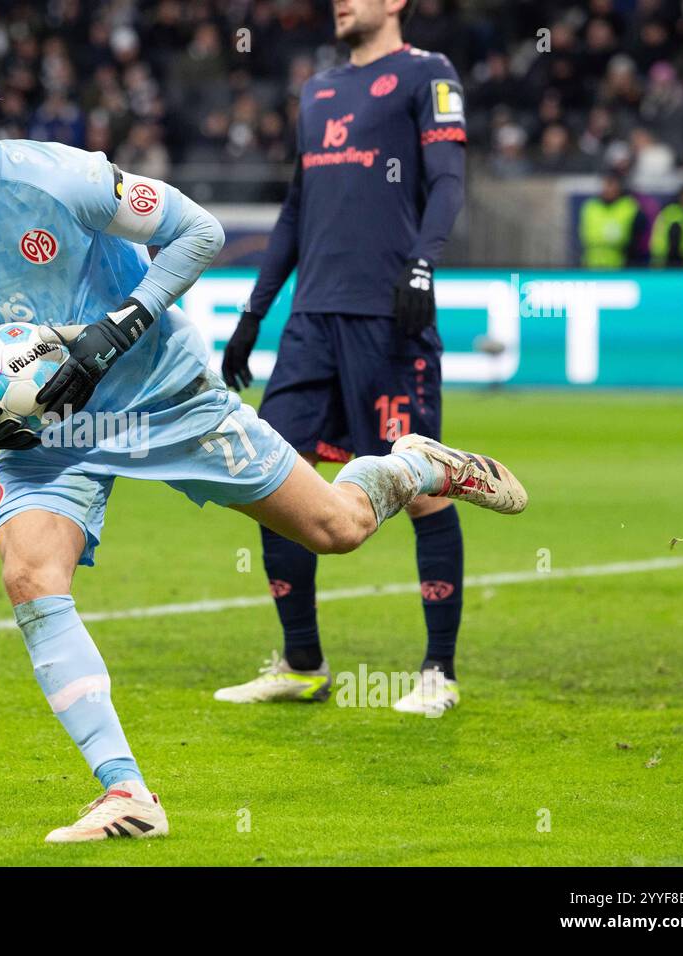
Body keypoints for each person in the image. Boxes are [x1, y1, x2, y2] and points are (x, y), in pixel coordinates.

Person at [0, 50, 526, 844]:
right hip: (54, 432)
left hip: (164, 397)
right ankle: (127, 793)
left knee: (338, 531)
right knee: (29, 575)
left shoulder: (55, 178)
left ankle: (418, 463)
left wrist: (118, 329)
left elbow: (198, 231)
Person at [217, 0, 470, 715]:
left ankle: (438, 674)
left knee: (420, 488)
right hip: (310, 321)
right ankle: (303, 665)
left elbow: (449, 180)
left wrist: (422, 267)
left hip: (386, 316)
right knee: (272, 487)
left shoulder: (429, 75)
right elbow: (297, 209)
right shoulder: (317, 89)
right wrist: (253, 314)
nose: (341, 2)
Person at [579, 169, 646, 269]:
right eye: (605, 184)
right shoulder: (591, 207)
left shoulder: (629, 207)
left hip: (621, 266)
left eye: (611, 184)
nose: (608, 188)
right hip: (591, 265)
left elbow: (638, 240)